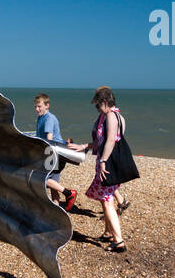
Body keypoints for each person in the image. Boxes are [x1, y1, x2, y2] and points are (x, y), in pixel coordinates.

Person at [67, 86, 128, 253]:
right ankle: (109, 233)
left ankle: (119, 241)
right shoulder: (111, 115)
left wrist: (103, 161)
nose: (97, 108)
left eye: (98, 105)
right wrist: (84, 146)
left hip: (108, 165)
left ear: (106, 102)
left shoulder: (111, 116)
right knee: (104, 199)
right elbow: (101, 142)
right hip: (109, 163)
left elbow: (109, 141)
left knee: (108, 201)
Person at [34, 93, 80, 210]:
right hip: (54, 153)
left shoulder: (49, 119)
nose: (37, 109)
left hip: (55, 153)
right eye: (36, 106)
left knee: (41, 178)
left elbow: (49, 140)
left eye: (39, 106)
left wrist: (42, 156)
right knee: (54, 184)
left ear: (47, 105)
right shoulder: (41, 118)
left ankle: (69, 193)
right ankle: (57, 209)